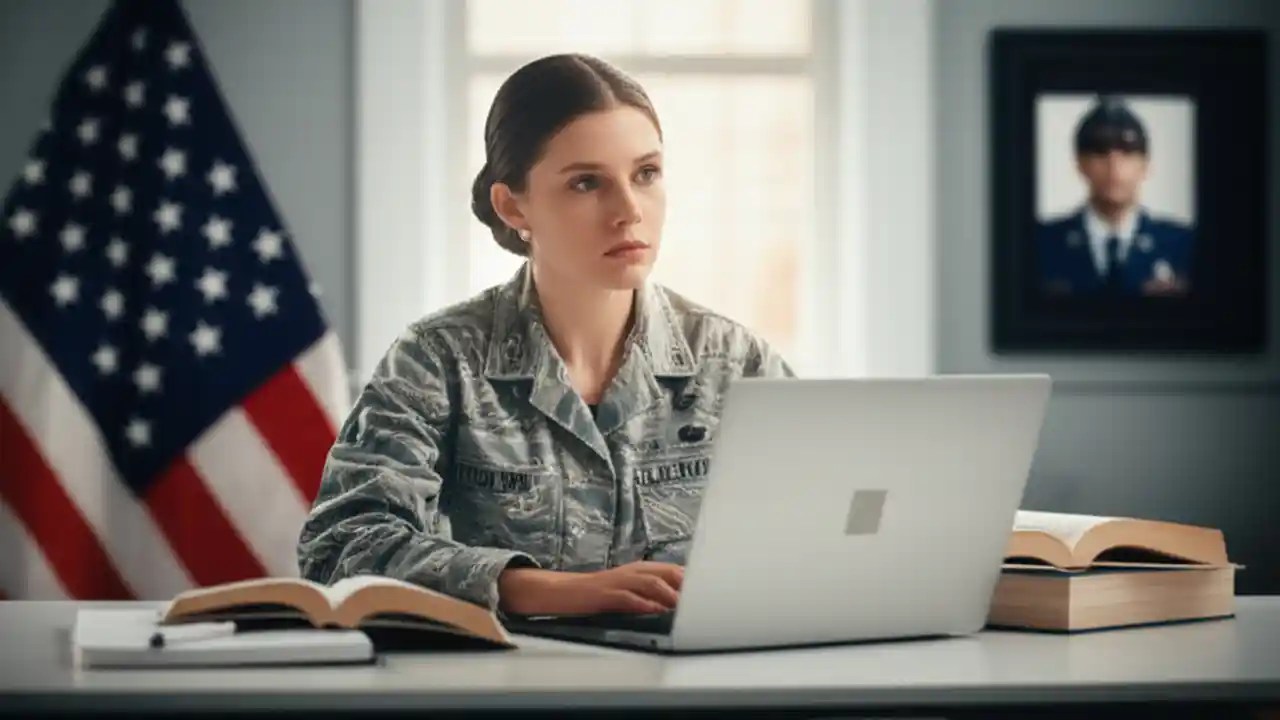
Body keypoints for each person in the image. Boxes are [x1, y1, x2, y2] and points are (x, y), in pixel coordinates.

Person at [296, 54, 793, 618]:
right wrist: (534, 589)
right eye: (586, 183)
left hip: (696, 690)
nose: (629, 210)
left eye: (646, 174)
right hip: (505, 689)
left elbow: (821, 533)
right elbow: (339, 544)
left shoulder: (737, 364)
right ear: (513, 206)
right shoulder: (438, 360)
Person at [1035, 96, 1195, 298]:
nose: (1114, 166)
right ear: (1080, 164)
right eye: (1100, 151)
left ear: (1146, 166)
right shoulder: (1041, 243)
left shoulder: (1183, 245)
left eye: (1127, 152)